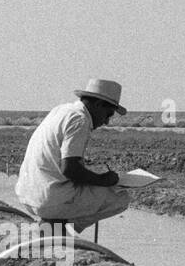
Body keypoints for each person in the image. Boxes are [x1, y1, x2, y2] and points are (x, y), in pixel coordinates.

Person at [15, 79, 131, 234]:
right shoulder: (80, 120)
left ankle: (54, 225)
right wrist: (104, 180)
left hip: (27, 194)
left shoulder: (61, 110)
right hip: (47, 200)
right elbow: (70, 169)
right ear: (97, 105)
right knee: (121, 198)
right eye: (107, 115)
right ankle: (60, 231)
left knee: (86, 186)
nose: (106, 122)